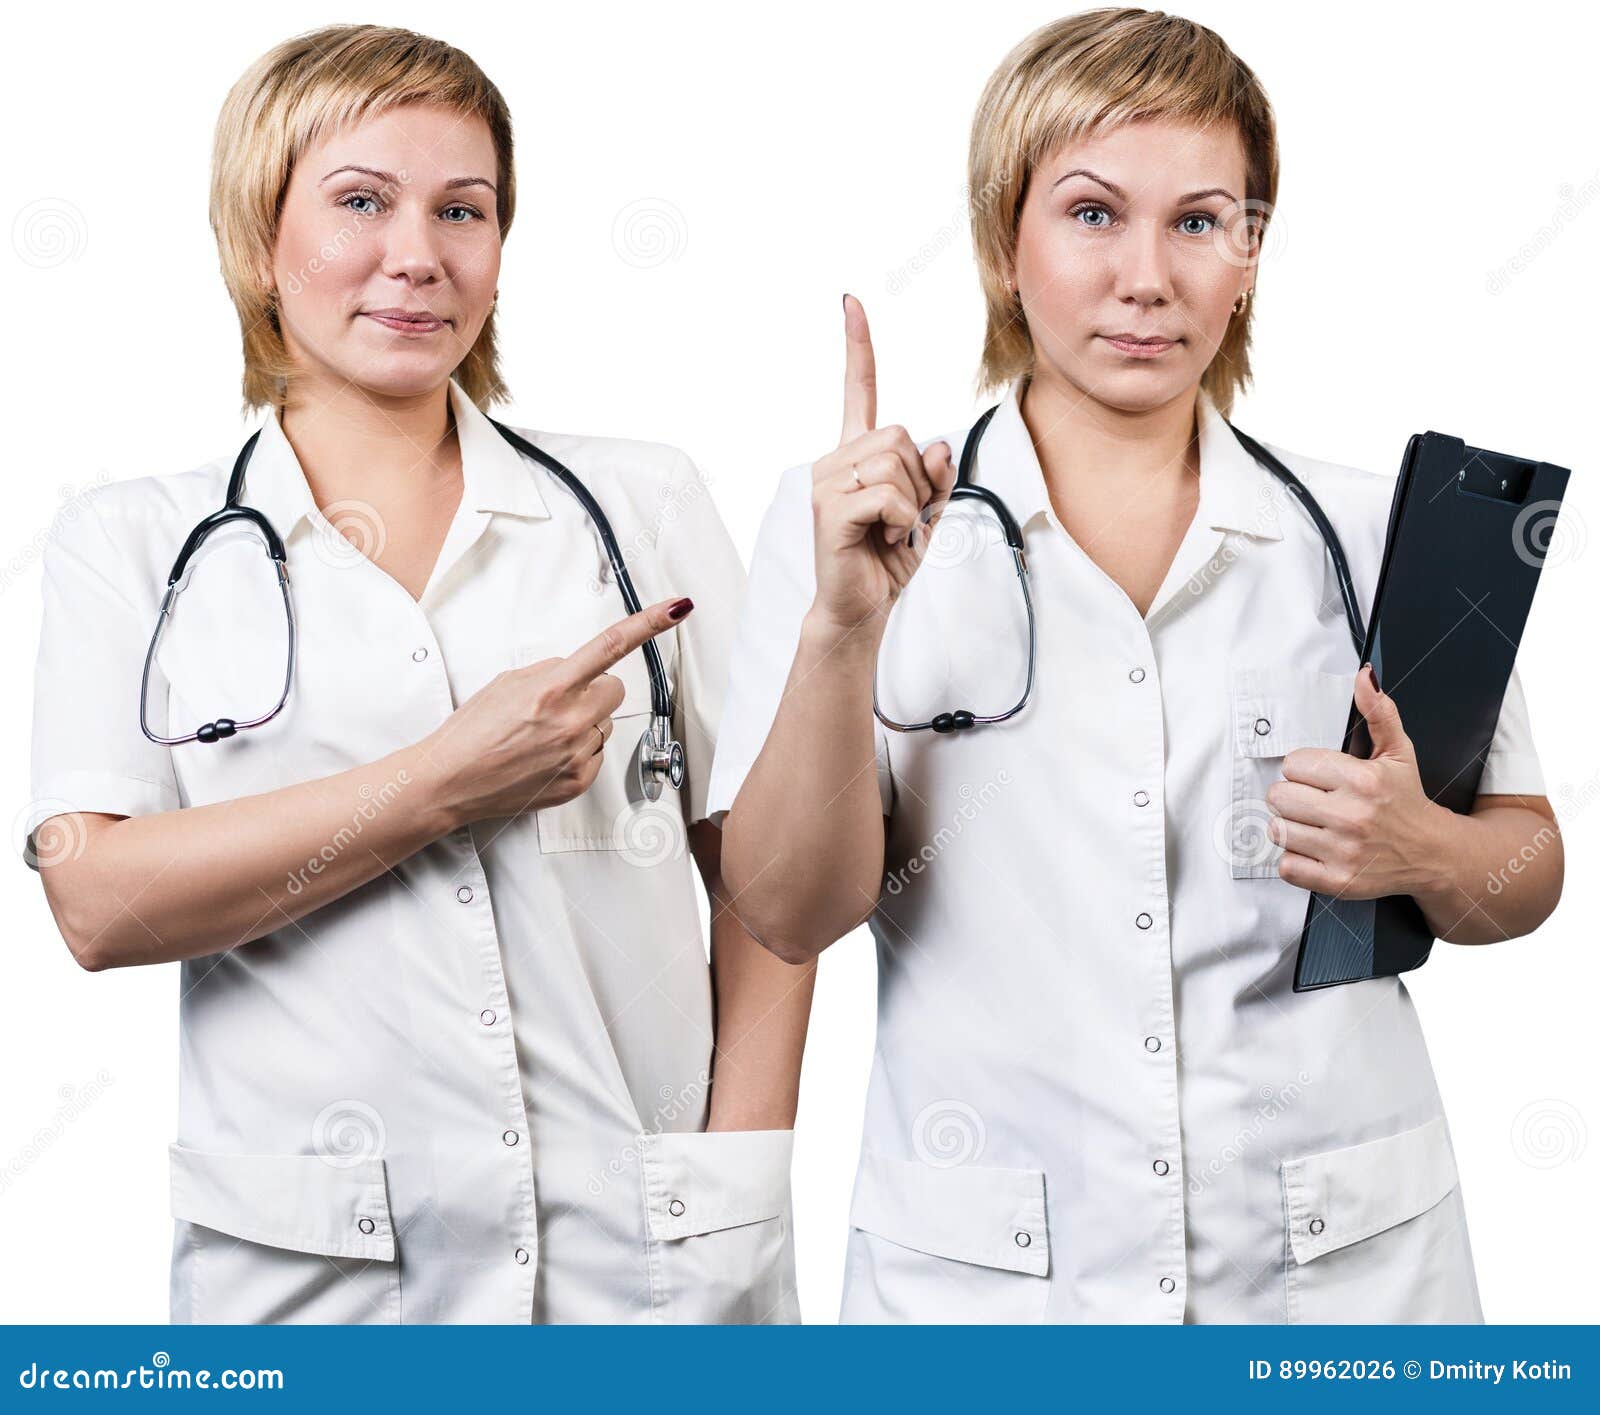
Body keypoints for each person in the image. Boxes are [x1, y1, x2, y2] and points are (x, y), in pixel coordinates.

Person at [708, 8, 1562, 1323]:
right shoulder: (847, 528)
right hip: (996, 1292)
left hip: (1340, 1284)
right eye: (1093, 214)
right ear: (1005, 241)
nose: (1148, 277)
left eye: (1201, 221)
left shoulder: (1374, 532)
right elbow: (785, 910)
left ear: (1252, 251)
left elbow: (1528, 864)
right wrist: (838, 633)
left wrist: (1425, 858)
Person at [25, 23, 813, 1325]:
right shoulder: (136, 545)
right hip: (309, 1292)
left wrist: (740, 1169)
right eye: (361, 201)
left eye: (466, 208)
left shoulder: (638, 504)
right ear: (256, 235)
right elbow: (97, 904)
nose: (420, 255)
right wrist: (441, 783)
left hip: (644, 1273)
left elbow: (771, 884)